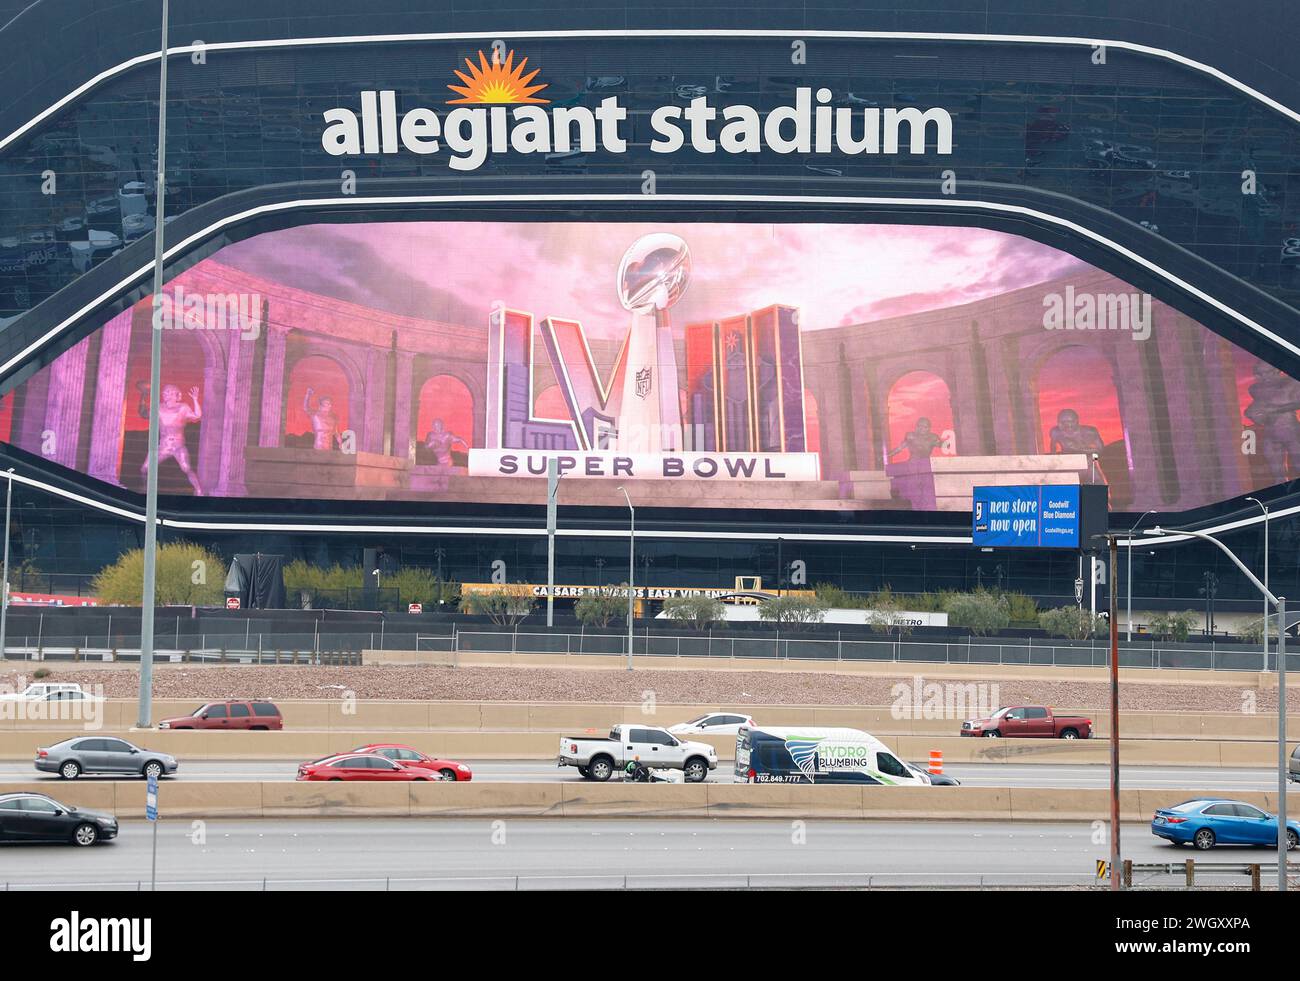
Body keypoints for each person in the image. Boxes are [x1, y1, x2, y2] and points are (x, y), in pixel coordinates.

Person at [137, 381, 203, 495]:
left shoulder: (183, 407)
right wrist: (143, 395)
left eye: (167, 392)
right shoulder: (158, 407)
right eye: (164, 392)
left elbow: (197, 416)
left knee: (186, 468)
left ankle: (199, 490)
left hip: (178, 446)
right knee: (144, 469)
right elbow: (143, 414)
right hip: (163, 446)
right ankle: (145, 490)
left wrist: (195, 400)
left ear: (174, 394)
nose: (164, 394)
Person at [303, 387, 339, 451]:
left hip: (329, 448)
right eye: (328, 403)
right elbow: (306, 408)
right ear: (322, 404)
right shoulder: (315, 415)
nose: (330, 405)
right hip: (318, 447)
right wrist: (308, 395)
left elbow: (336, 432)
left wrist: (341, 443)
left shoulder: (333, 417)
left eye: (330, 404)